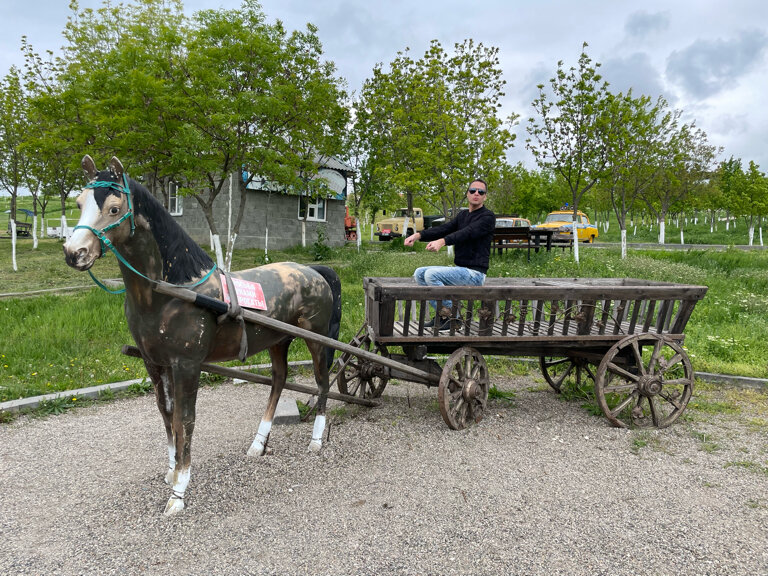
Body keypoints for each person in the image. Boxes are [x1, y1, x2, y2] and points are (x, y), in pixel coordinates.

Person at [404, 178, 496, 330]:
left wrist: (443, 242)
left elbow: (467, 233)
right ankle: (442, 315)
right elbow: (444, 229)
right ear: (467, 193)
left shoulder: (488, 217)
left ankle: (454, 317)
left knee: (431, 275)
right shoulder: (463, 215)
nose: (476, 194)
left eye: (481, 192)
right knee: (420, 273)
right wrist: (418, 235)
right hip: (461, 271)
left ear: (485, 196)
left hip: (475, 274)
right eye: (473, 190)